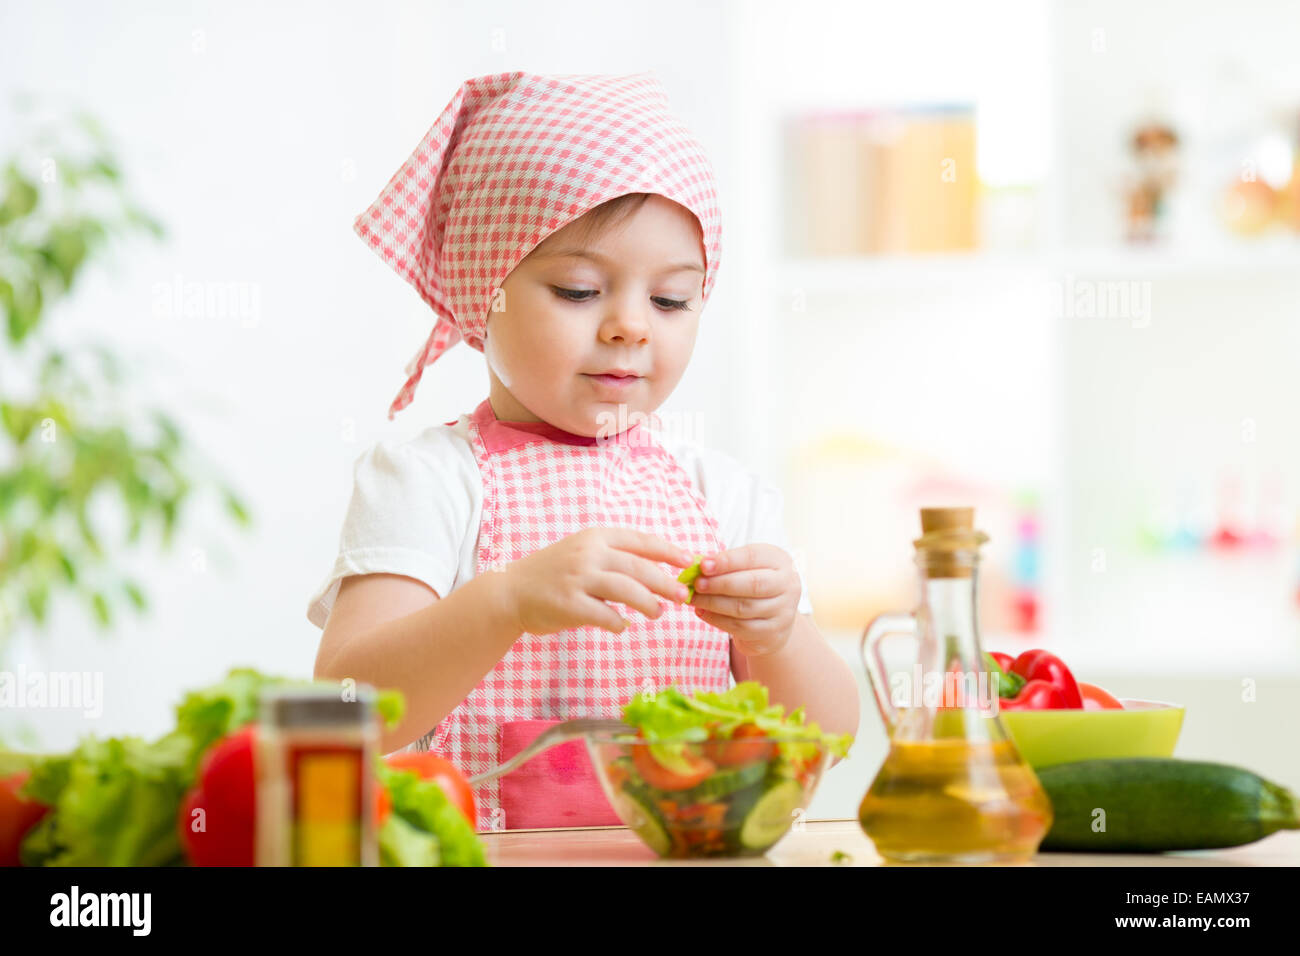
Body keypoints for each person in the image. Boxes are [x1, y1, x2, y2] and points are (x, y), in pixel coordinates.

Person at [307, 71, 859, 831]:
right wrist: (505, 602)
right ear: (483, 293)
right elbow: (346, 709)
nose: (632, 326)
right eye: (577, 290)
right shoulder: (428, 482)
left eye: (670, 300)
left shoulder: (727, 498)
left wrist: (780, 632)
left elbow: (829, 739)